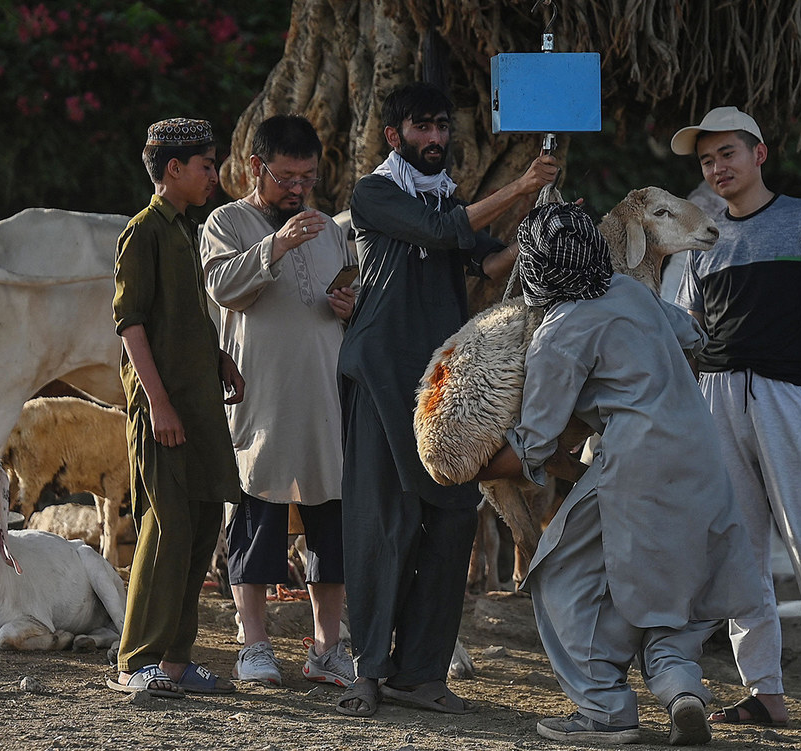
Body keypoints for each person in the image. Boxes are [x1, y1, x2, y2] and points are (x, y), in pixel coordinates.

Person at [473, 202, 765, 746]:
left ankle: (605, 711)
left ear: (537, 265)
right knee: (674, 577)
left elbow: (533, 444)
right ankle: (682, 690)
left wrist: (464, 466)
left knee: (559, 573)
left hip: (636, 462)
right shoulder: (631, 292)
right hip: (701, 451)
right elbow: (693, 337)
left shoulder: (558, 331)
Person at [334, 81, 559, 717]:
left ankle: (422, 675)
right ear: (393, 135)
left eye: (441, 128)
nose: (435, 139)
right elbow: (441, 232)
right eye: (421, 128)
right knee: (385, 522)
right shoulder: (375, 194)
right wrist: (518, 188)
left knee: (454, 518)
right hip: (381, 381)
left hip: (444, 387)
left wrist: (545, 228)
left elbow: (488, 263)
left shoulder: (446, 197)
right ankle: (369, 672)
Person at [670, 106, 801, 733]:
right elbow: (688, 333)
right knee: (741, 551)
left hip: (788, 395)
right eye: (707, 160)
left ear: (759, 154)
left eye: (728, 153)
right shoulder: (702, 237)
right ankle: (765, 693)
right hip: (716, 395)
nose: (717, 167)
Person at [200, 114, 357, 688]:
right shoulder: (227, 222)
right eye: (286, 176)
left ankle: (326, 649)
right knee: (256, 518)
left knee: (331, 519)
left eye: (307, 177)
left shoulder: (330, 227)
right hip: (259, 400)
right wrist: (275, 246)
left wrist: (349, 304)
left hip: (325, 400)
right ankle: (256, 645)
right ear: (254, 168)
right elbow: (223, 288)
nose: (298, 189)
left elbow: (346, 289)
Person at [108, 117, 243, 699]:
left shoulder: (188, 231)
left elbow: (182, 319)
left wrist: (218, 358)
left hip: (199, 406)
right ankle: (135, 659)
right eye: (207, 165)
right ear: (174, 170)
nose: (214, 175)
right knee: (165, 528)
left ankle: (176, 663)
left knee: (200, 527)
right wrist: (159, 405)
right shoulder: (143, 233)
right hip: (163, 412)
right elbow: (130, 324)